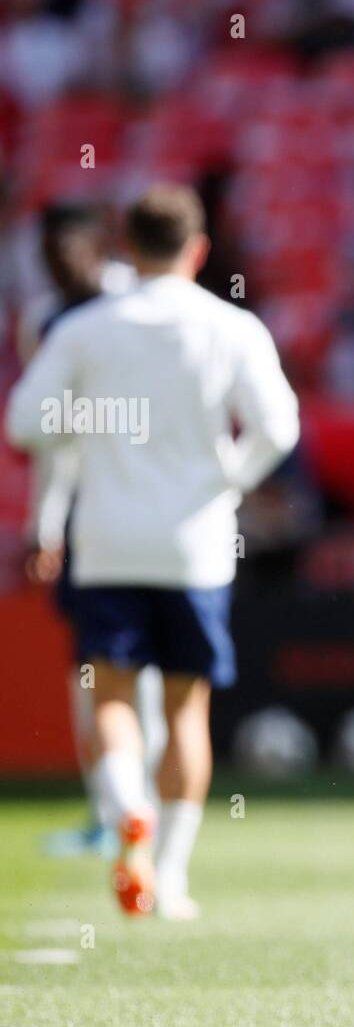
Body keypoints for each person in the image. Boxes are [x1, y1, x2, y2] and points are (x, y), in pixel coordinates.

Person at [6, 184, 300, 919]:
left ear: (127, 249)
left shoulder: (85, 328)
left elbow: (24, 423)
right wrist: (228, 478)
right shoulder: (231, 326)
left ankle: (125, 806)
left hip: (106, 541)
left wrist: (90, 423)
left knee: (110, 695)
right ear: (198, 250)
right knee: (186, 709)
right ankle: (169, 878)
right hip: (195, 545)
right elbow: (279, 427)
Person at [18, 203, 167, 859]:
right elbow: (53, 437)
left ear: (97, 246)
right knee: (93, 665)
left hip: (152, 504)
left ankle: (144, 806)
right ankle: (112, 808)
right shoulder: (44, 321)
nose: (58, 265)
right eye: (48, 254)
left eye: (67, 250)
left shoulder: (137, 304)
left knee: (149, 669)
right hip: (90, 515)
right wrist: (45, 523)